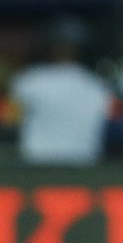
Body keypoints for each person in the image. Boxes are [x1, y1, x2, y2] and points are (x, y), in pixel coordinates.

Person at [10, 18, 112, 166]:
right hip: (83, 164)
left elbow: (11, 117)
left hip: (38, 164)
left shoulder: (30, 80)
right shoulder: (98, 85)